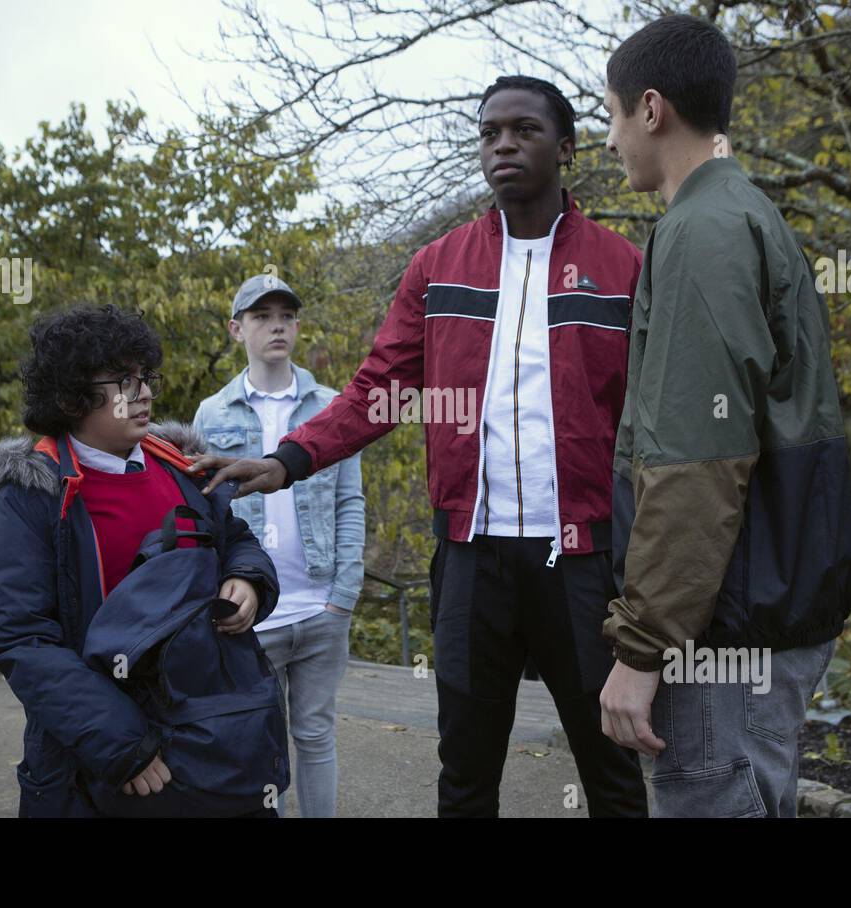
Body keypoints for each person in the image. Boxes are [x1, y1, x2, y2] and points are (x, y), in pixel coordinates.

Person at [192, 76, 649, 817]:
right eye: (489, 131)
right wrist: (287, 461)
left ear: (565, 149)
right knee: (465, 772)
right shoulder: (439, 265)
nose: (503, 143)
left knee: (613, 771)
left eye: (524, 130)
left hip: (584, 561)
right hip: (471, 559)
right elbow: (380, 389)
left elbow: (651, 418)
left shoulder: (623, 268)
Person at [597, 14, 851, 817]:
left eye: (610, 116)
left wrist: (642, 650)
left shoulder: (701, 231)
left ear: (650, 109)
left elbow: (696, 466)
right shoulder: (740, 211)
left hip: (729, 629)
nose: (609, 141)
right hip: (761, 610)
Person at [0, 303, 279, 818]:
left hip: (210, 736)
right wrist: (121, 745)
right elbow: (19, 636)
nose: (144, 393)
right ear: (72, 397)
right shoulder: (33, 495)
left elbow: (237, 539)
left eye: (144, 376)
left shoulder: (181, 468)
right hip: (100, 760)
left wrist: (246, 579)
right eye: (122, 380)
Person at [193, 274, 365, 818]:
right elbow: (206, 515)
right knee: (259, 745)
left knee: (315, 736)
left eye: (286, 316)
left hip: (320, 608)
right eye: (262, 316)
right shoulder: (211, 413)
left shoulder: (332, 407)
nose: (277, 326)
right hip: (253, 615)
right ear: (236, 329)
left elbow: (349, 502)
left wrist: (343, 593)